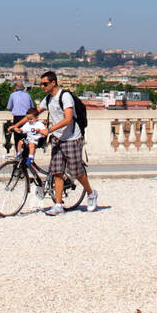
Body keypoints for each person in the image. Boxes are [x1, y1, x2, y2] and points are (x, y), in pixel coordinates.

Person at [36, 71, 97, 215]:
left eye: (45, 84)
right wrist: (20, 123)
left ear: (53, 83)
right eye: (41, 84)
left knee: (76, 172)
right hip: (58, 139)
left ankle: (91, 193)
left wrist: (49, 129)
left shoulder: (65, 97)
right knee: (57, 172)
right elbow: (35, 112)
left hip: (71, 138)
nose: (42, 86)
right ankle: (58, 205)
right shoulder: (48, 99)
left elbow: (68, 119)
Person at [5, 82, 35, 156]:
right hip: (27, 119)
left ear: (15, 89)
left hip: (17, 119)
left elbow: (9, 107)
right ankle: (26, 157)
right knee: (27, 138)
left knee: (17, 139)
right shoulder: (28, 95)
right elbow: (32, 107)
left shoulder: (12, 95)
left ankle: (19, 157)